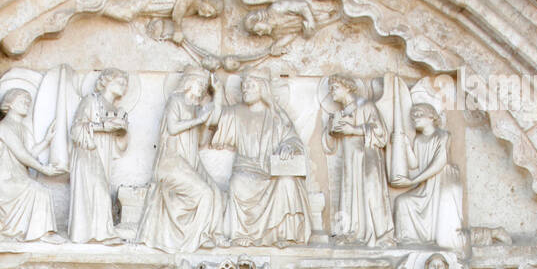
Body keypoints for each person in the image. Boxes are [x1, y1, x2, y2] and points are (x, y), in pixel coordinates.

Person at [210, 71, 311, 246]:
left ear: (263, 88)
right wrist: (218, 93)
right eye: (244, 86)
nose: (245, 89)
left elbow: (293, 139)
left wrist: (288, 146)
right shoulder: (236, 112)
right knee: (237, 183)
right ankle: (242, 234)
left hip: (271, 170)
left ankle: (283, 235)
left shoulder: (276, 116)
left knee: (287, 181)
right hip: (246, 167)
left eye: (251, 85)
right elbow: (214, 121)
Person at [138, 69, 224, 253]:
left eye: (203, 86)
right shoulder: (176, 101)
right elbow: (173, 127)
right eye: (198, 84)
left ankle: (206, 234)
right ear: (188, 83)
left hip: (190, 162)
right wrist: (198, 120)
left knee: (216, 193)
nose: (201, 89)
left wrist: (218, 94)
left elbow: (213, 121)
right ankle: (193, 241)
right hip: (171, 161)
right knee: (205, 194)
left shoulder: (196, 109)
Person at [0, 89, 62, 242]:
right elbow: (21, 154)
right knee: (39, 191)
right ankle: (40, 234)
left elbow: (29, 153)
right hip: (7, 178)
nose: (27, 104)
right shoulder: (4, 126)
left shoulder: (23, 128)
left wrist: (46, 140)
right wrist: (44, 169)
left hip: (19, 175)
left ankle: (39, 233)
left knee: (41, 190)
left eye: (28, 101)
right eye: (22, 100)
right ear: (10, 103)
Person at [323, 75, 393, 245]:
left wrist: (353, 129)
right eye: (330, 89)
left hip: (366, 157)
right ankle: (350, 231)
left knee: (369, 192)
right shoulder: (340, 113)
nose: (332, 93)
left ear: (347, 87)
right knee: (349, 190)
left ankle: (378, 234)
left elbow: (381, 133)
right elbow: (329, 144)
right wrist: (332, 130)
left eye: (335, 88)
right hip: (349, 158)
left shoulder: (366, 106)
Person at [68, 69, 129, 244]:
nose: (123, 87)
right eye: (120, 82)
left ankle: (96, 233)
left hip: (105, 155)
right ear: (105, 81)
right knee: (98, 190)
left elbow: (121, 146)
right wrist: (103, 126)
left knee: (100, 190)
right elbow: (76, 129)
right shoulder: (91, 101)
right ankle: (100, 235)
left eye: (125, 84)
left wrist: (122, 131)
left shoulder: (118, 110)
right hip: (88, 152)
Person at [391, 103, 463, 248]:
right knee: (402, 201)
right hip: (424, 185)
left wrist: (412, 181)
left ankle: (488, 234)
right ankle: (409, 240)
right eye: (412, 116)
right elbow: (414, 164)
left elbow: (439, 162)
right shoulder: (418, 140)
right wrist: (404, 144)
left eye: (418, 114)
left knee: (447, 233)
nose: (414, 118)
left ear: (431, 116)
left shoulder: (442, 135)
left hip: (440, 183)